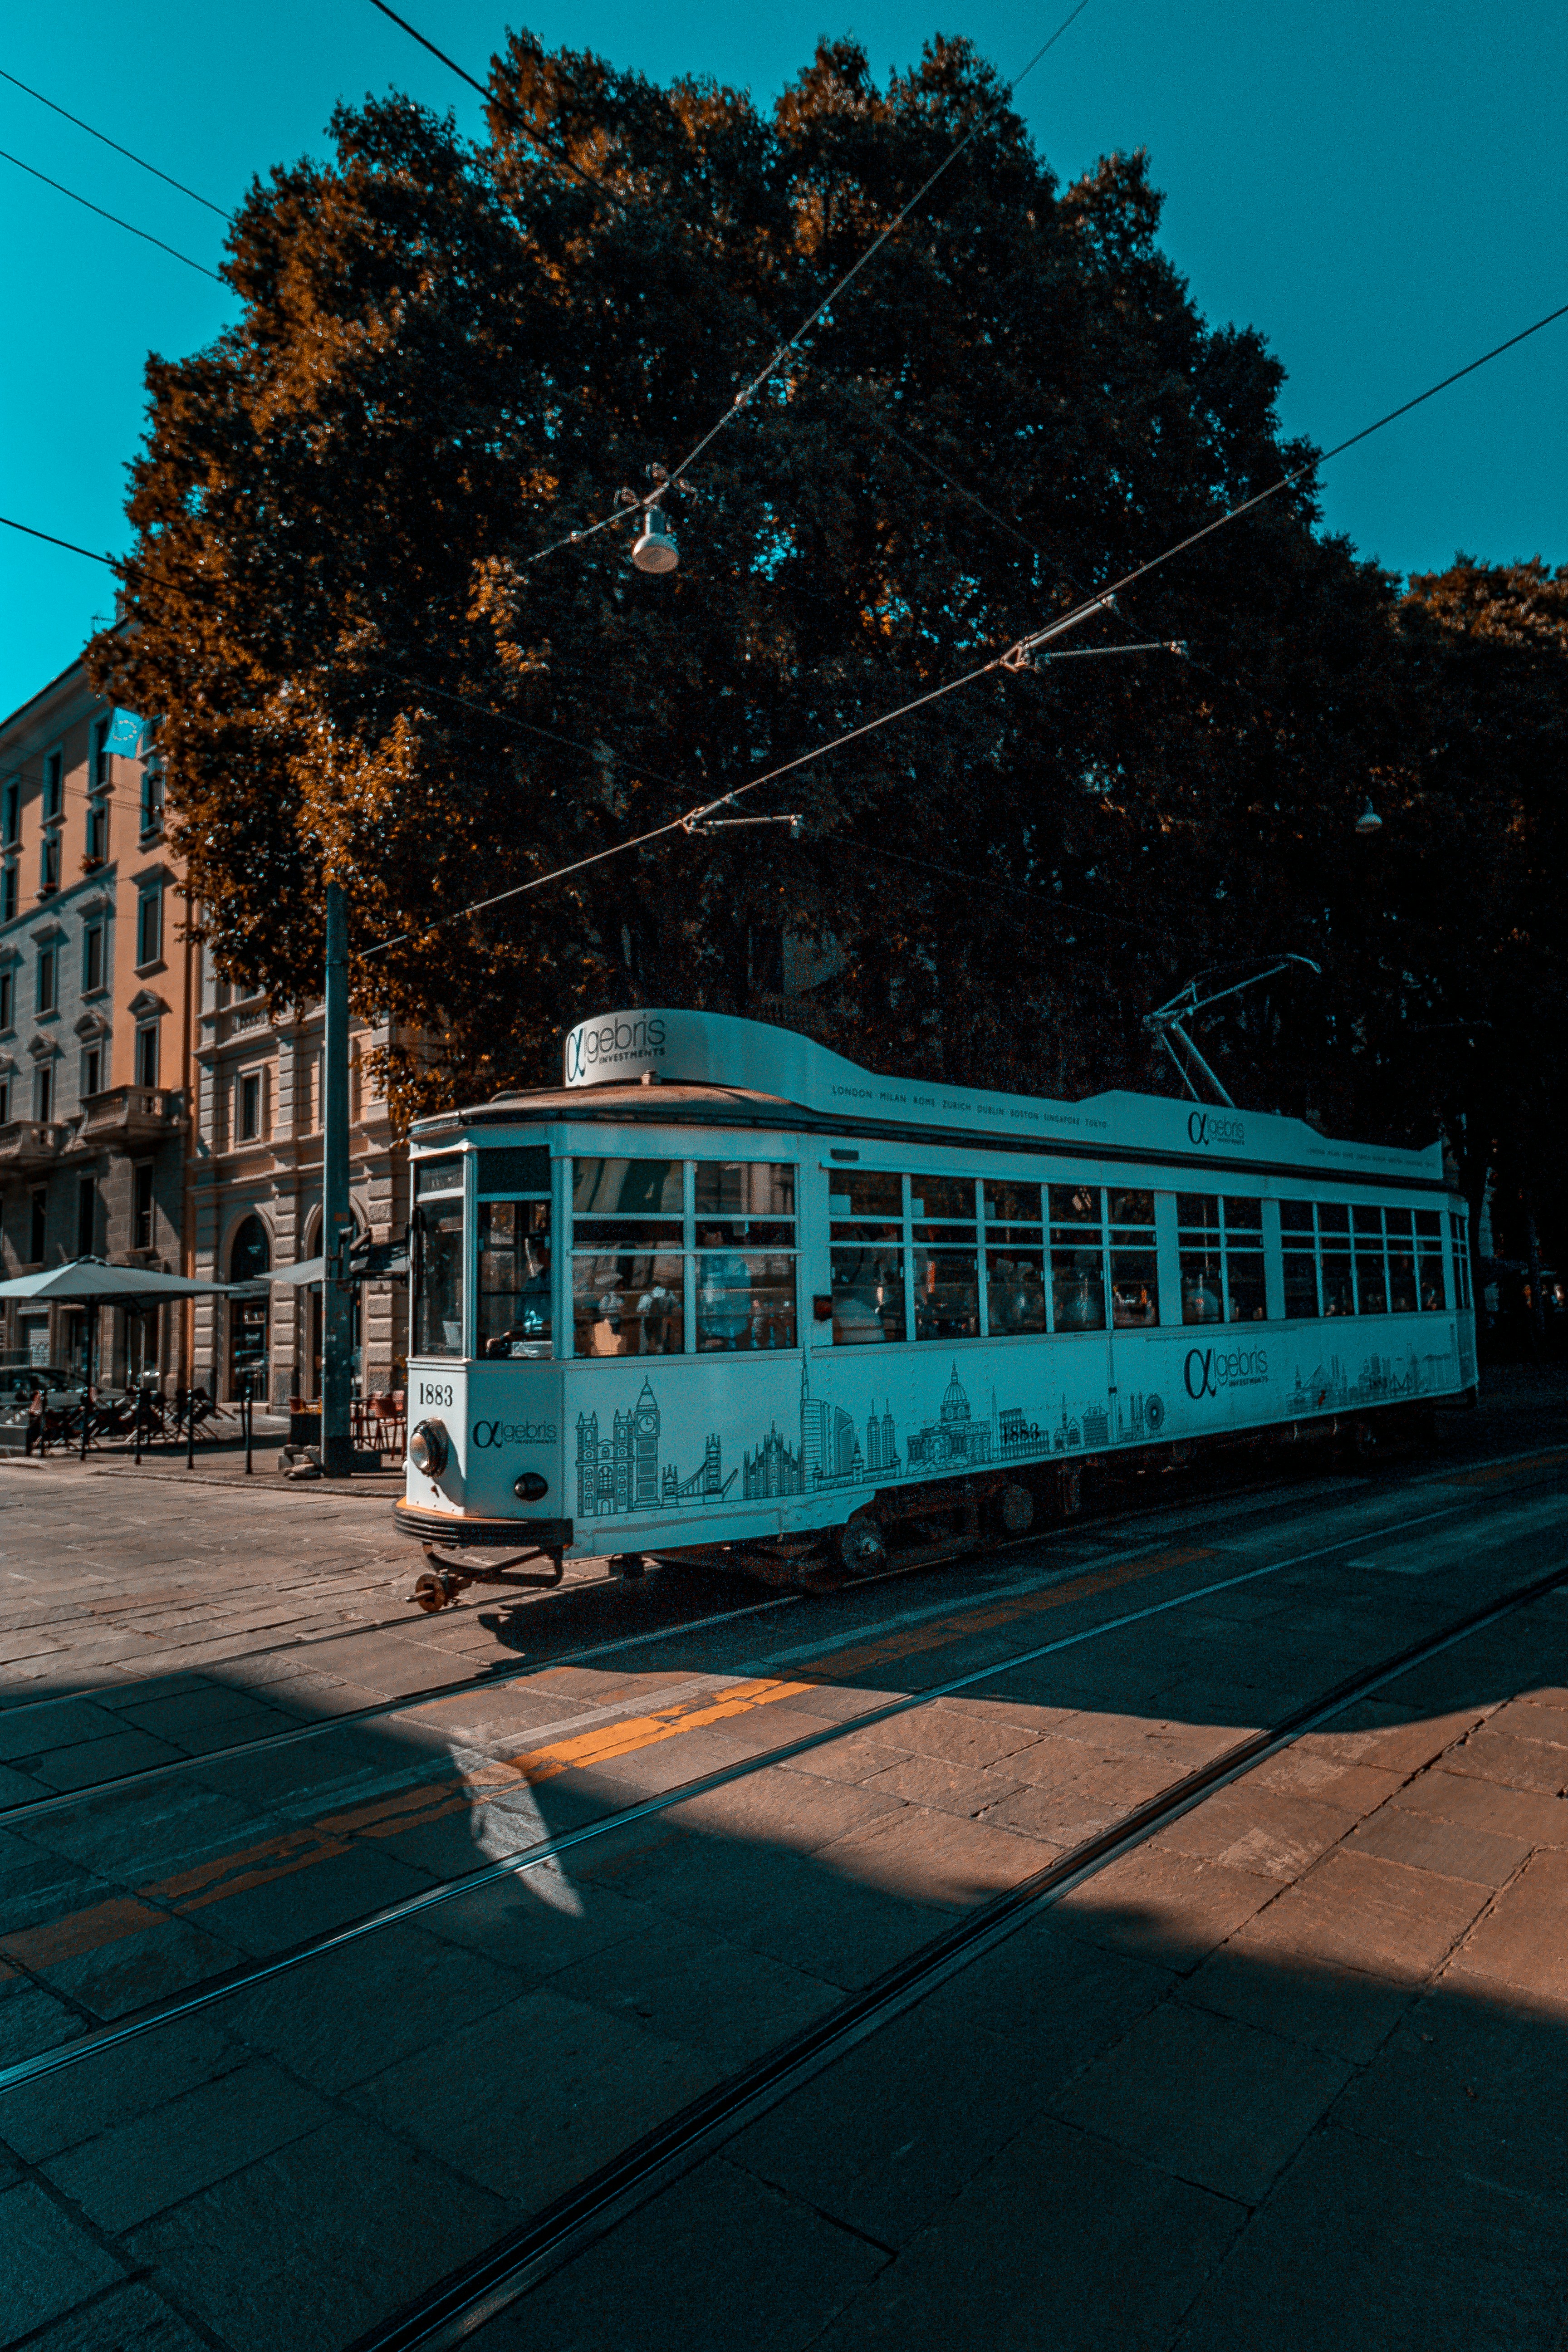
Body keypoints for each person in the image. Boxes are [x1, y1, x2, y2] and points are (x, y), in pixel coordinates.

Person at [697, 1225, 752, 1349]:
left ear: (718, 1235)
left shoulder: (728, 1261)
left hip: (723, 1326)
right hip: (725, 1326)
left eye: (706, 1234)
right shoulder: (734, 1260)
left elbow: (734, 1296)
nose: (703, 1239)